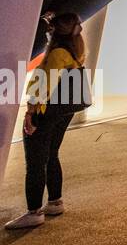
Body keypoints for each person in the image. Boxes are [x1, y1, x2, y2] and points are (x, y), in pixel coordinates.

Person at [4, 13, 87, 230]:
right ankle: (55, 202)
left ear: (55, 32)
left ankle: (33, 212)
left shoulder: (58, 53)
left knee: (35, 162)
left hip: (46, 111)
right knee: (51, 155)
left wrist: (31, 113)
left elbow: (45, 85)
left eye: (49, 29)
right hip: (63, 111)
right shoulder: (75, 52)